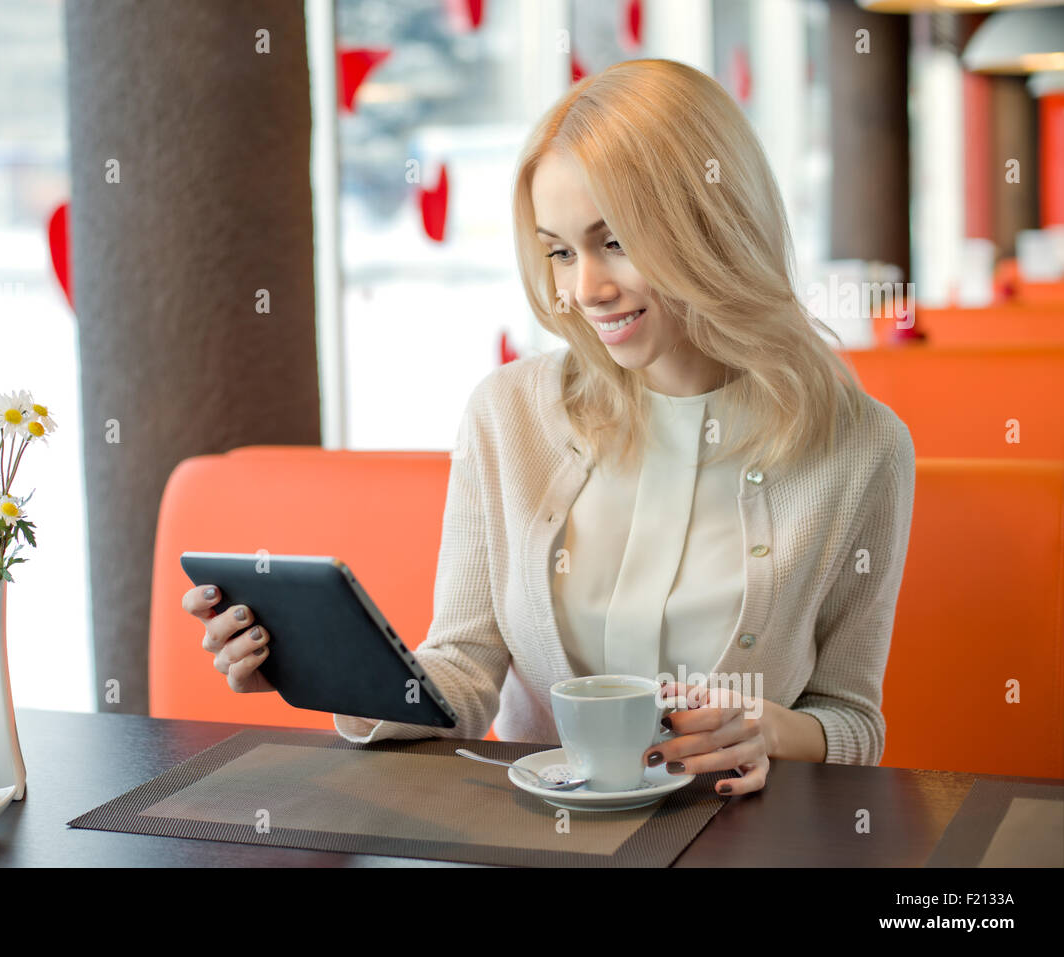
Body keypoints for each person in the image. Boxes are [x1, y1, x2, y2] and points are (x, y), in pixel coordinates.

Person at [182, 58, 915, 797]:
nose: (584, 290)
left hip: (740, 836)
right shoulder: (507, 415)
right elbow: (463, 673)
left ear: (712, 224)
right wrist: (328, 665)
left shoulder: (862, 449)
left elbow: (852, 718)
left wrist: (773, 730)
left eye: (616, 241)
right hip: (539, 842)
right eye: (560, 251)